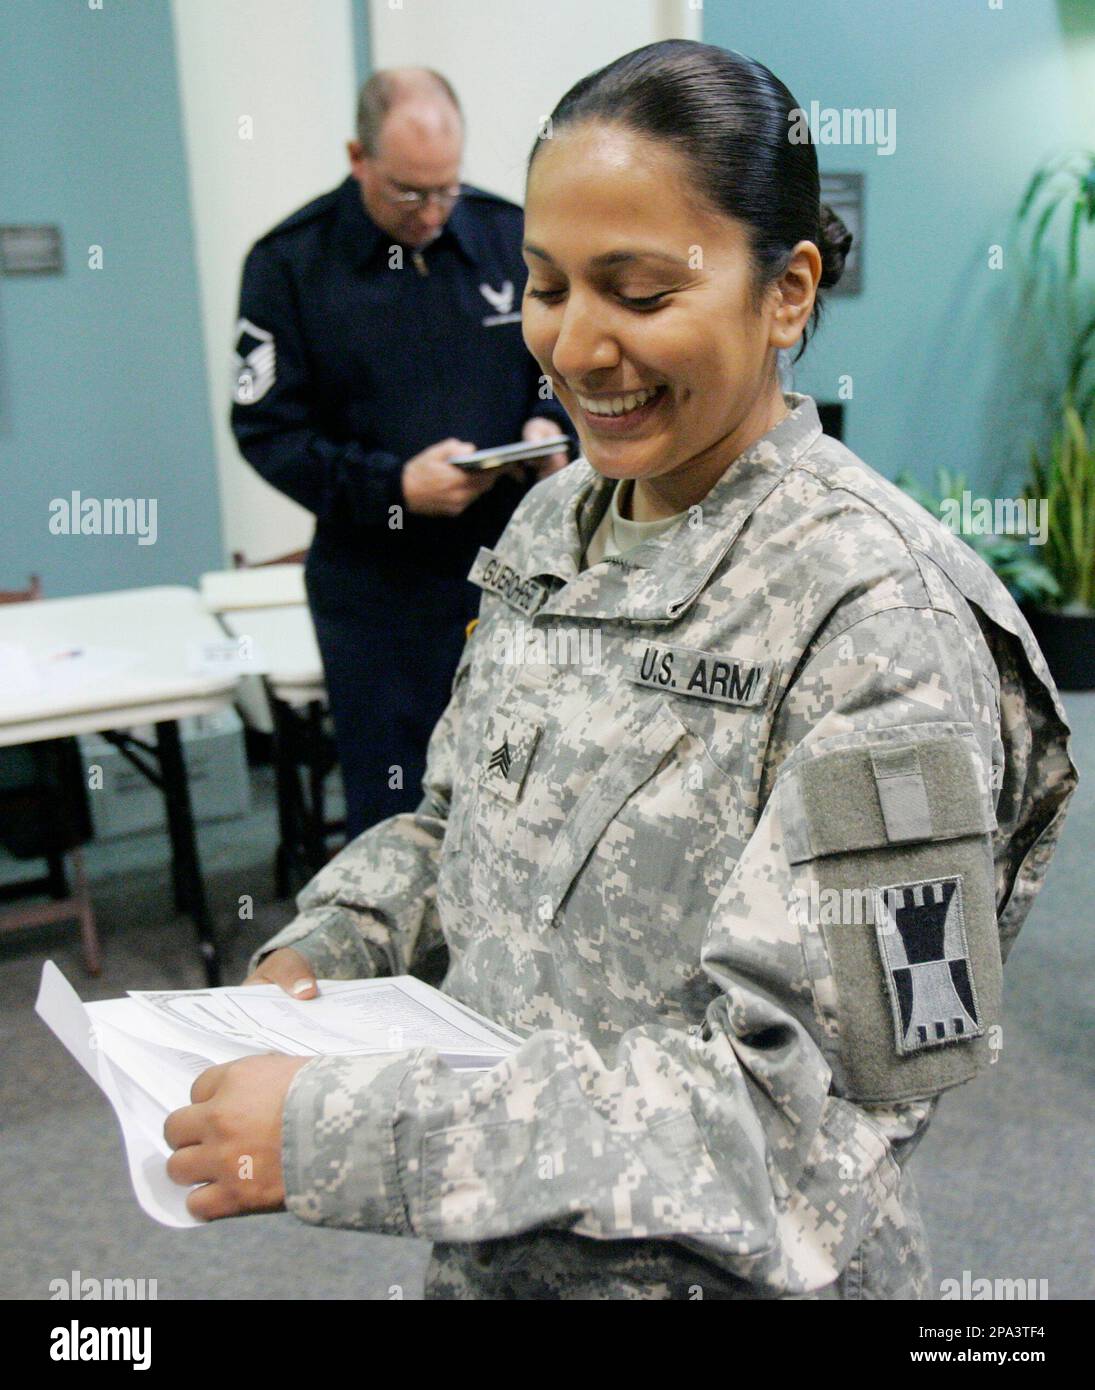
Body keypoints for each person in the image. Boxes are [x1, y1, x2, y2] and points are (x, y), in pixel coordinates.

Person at [170, 40, 1077, 1299]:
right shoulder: (555, 524)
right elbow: (456, 823)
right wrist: (338, 936)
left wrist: (349, 1131)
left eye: (640, 293)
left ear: (788, 291)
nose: (576, 348)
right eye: (545, 288)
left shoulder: (881, 621)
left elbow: (808, 1125)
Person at [231, 68, 573, 841]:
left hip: (514, 573)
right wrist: (392, 486)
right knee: (402, 813)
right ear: (358, 157)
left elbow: (562, 364)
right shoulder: (290, 263)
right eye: (408, 193)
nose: (430, 214)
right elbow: (267, 432)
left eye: (445, 190)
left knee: (529, 799)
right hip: (378, 594)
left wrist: (546, 426)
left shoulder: (505, 236)